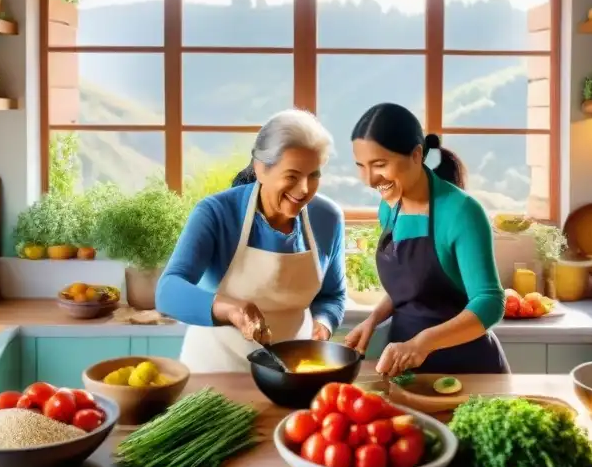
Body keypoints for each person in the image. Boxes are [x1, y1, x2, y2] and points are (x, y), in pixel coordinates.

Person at [156, 109, 347, 373]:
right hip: (216, 370)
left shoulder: (328, 219)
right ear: (261, 168)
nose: (304, 189)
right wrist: (231, 308)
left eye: (314, 175)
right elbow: (167, 292)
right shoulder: (216, 213)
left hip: (290, 371)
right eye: (292, 175)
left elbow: (332, 294)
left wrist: (323, 323)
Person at [343, 103, 508, 376]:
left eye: (380, 164)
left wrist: (422, 344)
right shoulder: (389, 207)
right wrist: (373, 320)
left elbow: (490, 302)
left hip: (468, 369)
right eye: (361, 166)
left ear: (417, 155)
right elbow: (410, 288)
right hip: (404, 367)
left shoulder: (461, 211)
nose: (369, 180)